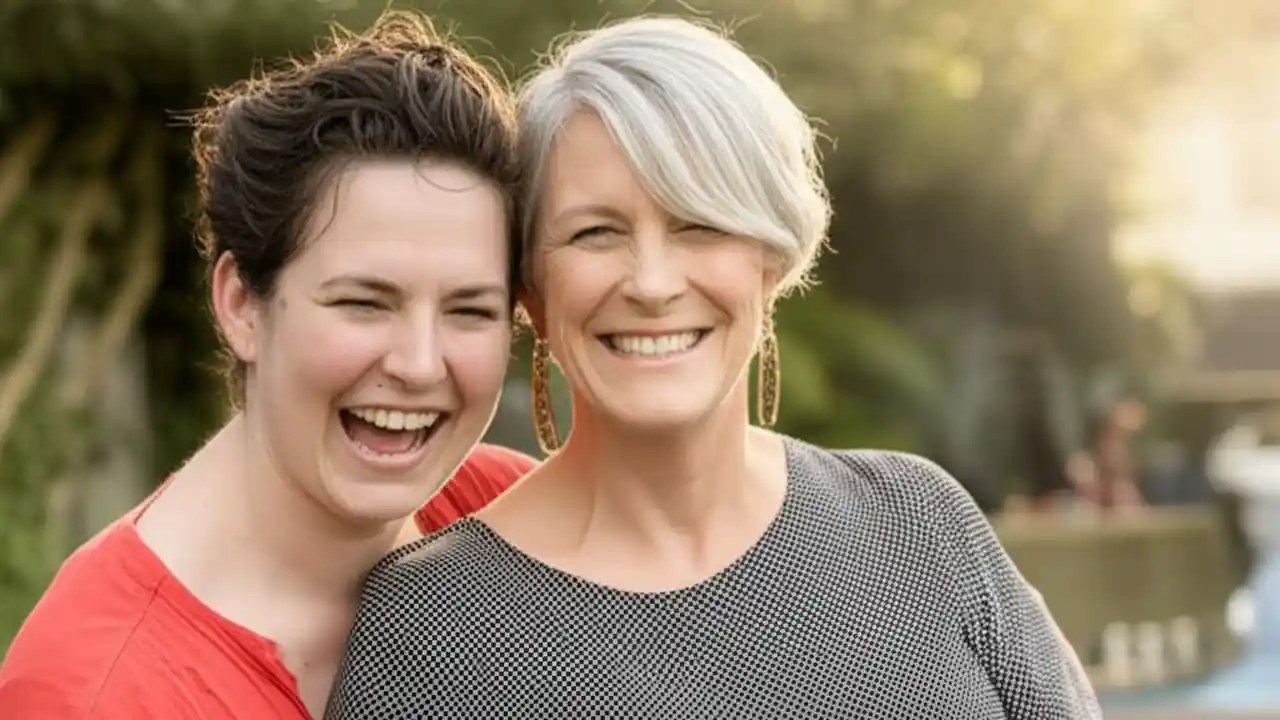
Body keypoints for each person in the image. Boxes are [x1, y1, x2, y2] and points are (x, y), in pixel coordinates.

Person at [326, 15, 1101, 720]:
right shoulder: (426, 637)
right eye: (596, 232)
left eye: (699, 223)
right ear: (529, 286)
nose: (654, 283)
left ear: (769, 262)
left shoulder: (921, 525)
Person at [0, 11, 533, 719]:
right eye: (364, 303)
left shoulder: (518, 518)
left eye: (470, 310)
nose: (418, 363)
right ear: (242, 303)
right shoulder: (95, 690)